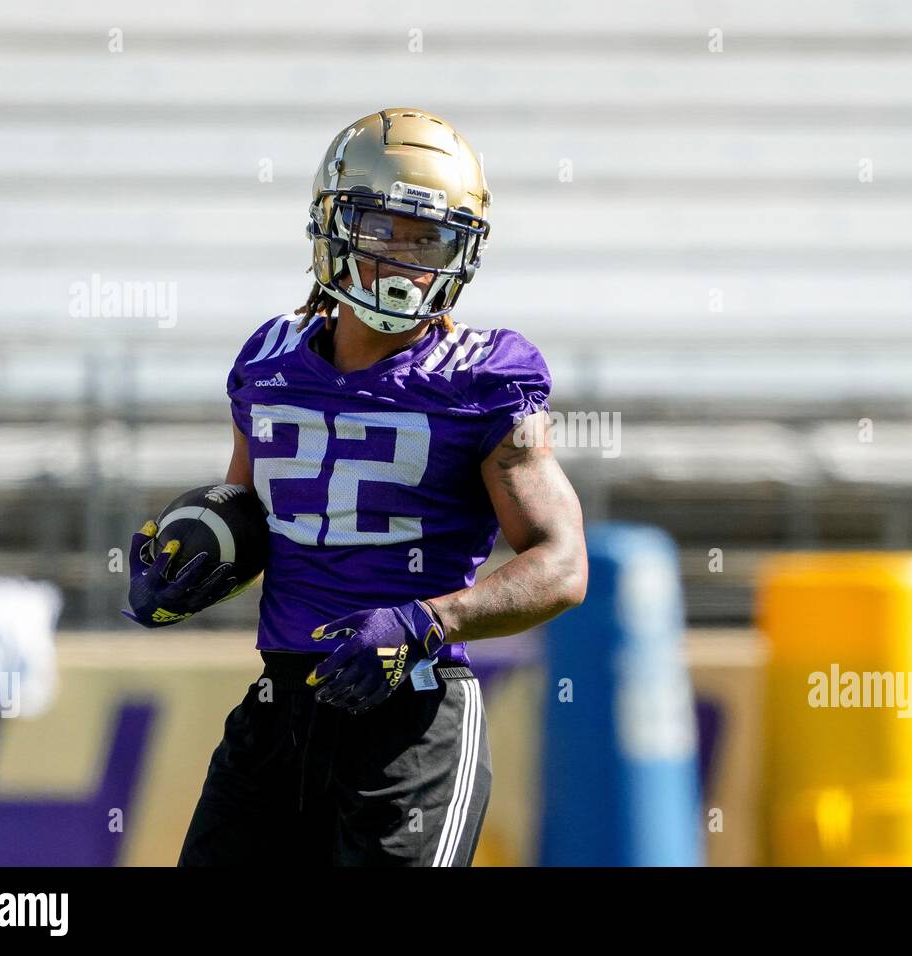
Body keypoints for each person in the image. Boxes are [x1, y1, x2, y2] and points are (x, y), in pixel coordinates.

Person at [123, 108, 588, 866]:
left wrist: (424, 621)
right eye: (384, 229)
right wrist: (182, 566)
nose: (407, 259)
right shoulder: (269, 359)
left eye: (429, 238)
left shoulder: (486, 378)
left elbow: (563, 564)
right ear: (332, 227)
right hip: (280, 712)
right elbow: (248, 518)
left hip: (410, 719)